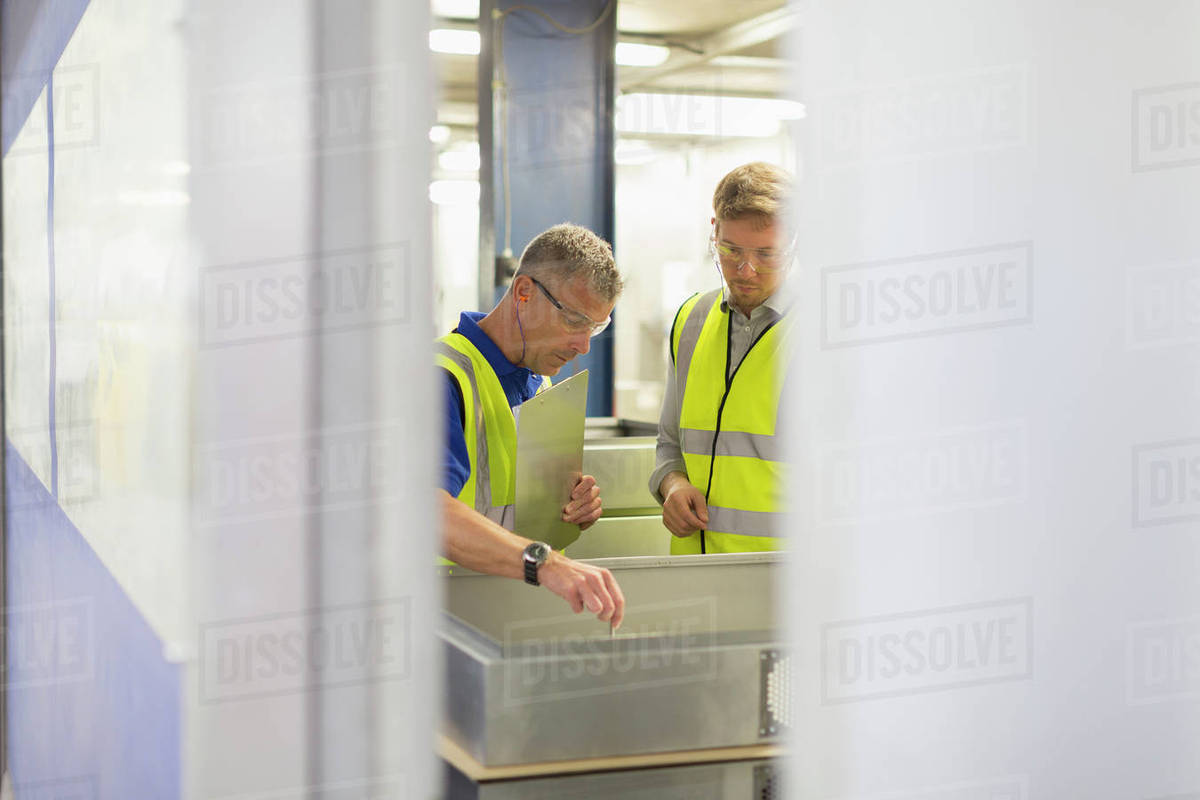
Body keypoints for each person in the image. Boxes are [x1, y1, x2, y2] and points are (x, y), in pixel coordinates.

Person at [437, 223, 626, 628]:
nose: (584, 346)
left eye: (596, 327)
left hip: (504, 609)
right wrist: (546, 563)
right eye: (575, 320)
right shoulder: (443, 378)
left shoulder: (539, 381)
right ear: (523, 293)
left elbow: (509, 505)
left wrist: (571, 506)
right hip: (444, 615)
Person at [649, 162, 794, 554]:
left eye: (767, 254)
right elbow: (669, 443)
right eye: (731, 251)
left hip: (782, 586)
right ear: (713, 231)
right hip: (695, 577)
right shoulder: (690, 322)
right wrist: (673, 484)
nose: (746, 271)